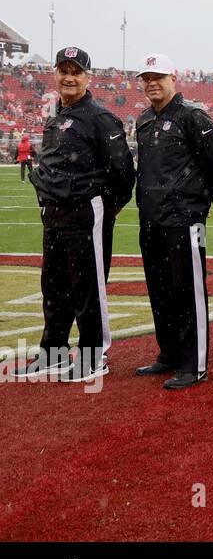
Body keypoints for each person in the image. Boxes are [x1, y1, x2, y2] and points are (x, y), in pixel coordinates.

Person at [24, 47, 135, 381]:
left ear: (89, 77)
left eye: (76, 71)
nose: (69, 77)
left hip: (86, 212)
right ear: (55, 74)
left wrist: (102, 207)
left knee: (87, 287)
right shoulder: (58, 116)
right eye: (63, 70)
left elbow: (123, 172)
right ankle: (53, 353)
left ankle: (93, 356)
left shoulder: (100, 117)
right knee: (54, 287)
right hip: (55, 215)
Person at [133, 53, 213, 389]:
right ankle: (169, 354)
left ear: (173, 78)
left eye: (158, 76)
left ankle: (194, 363)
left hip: (184, 221)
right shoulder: (144, 119)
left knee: (187, 290)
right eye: (146, 78)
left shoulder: (193, 118)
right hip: (151, 220)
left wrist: (196, 205)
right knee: (159, 291)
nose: (152, 83)